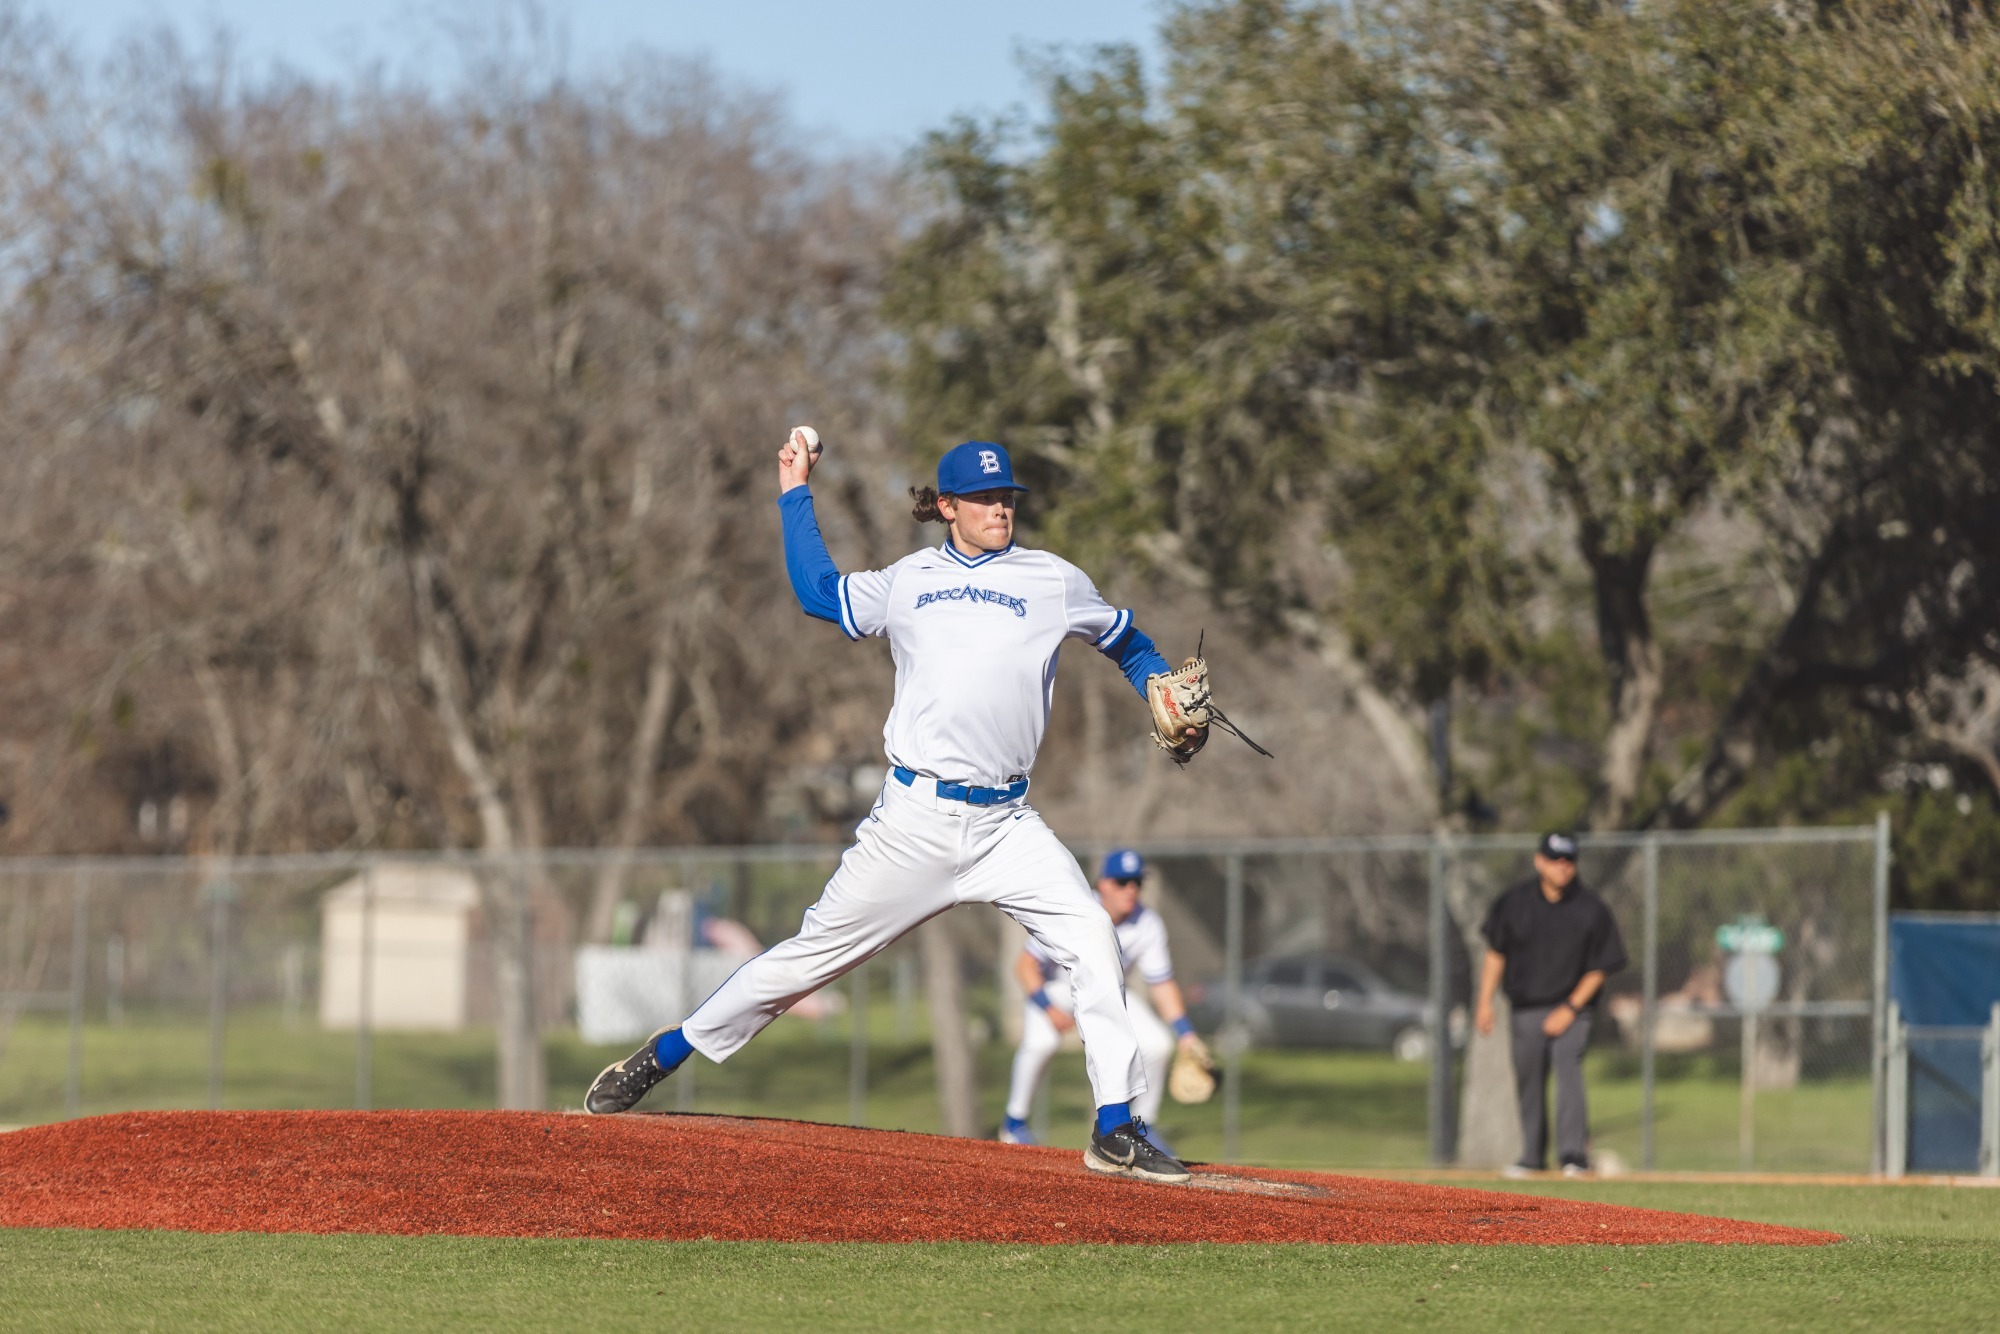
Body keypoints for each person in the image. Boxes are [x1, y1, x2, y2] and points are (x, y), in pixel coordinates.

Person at [585, 430, 1204, 1185]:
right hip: (915, 821)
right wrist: (794, 494)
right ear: (946, 506)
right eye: (981, 498)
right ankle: (666, 1052)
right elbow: (820, 593)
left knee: (1092, 939)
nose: (999, 508)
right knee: (807, 962)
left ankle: (1116, 1127)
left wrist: (1155, 680)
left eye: (1006, 496)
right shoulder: (909, 581)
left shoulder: (1053, 581)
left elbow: (1126, 638)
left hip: (1007, 824)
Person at [999, 849, 1204, 1150]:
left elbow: (1161, 984)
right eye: (1123, 881)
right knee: (1042, 1043)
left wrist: (1186, 1033)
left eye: (1136, 881)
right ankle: (1014, 1123)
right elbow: (1025, 966)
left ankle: (1141, 1125)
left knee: (1158, 1043)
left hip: (1111, 992)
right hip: (1058, 988)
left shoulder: (1147, 923)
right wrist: (1048, 1008)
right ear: (1103, 884)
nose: (1131, 888)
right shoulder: (1076, 909)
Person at [1474, 831, 1628, 1177]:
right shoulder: (1514, 903)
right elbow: (1496, 953)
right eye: (1555, 859)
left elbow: (1600, 967)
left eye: (1568, 860)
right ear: (1539, 861)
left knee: (1567, 1068)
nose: (1562, 867)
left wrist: (1570, 1009)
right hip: (1525, 1007)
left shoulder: (1590, 909)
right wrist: (1484, 1002)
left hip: (1573, 1008)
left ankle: (1573, 1155)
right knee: (1529, 1078)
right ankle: (1531, 1155)